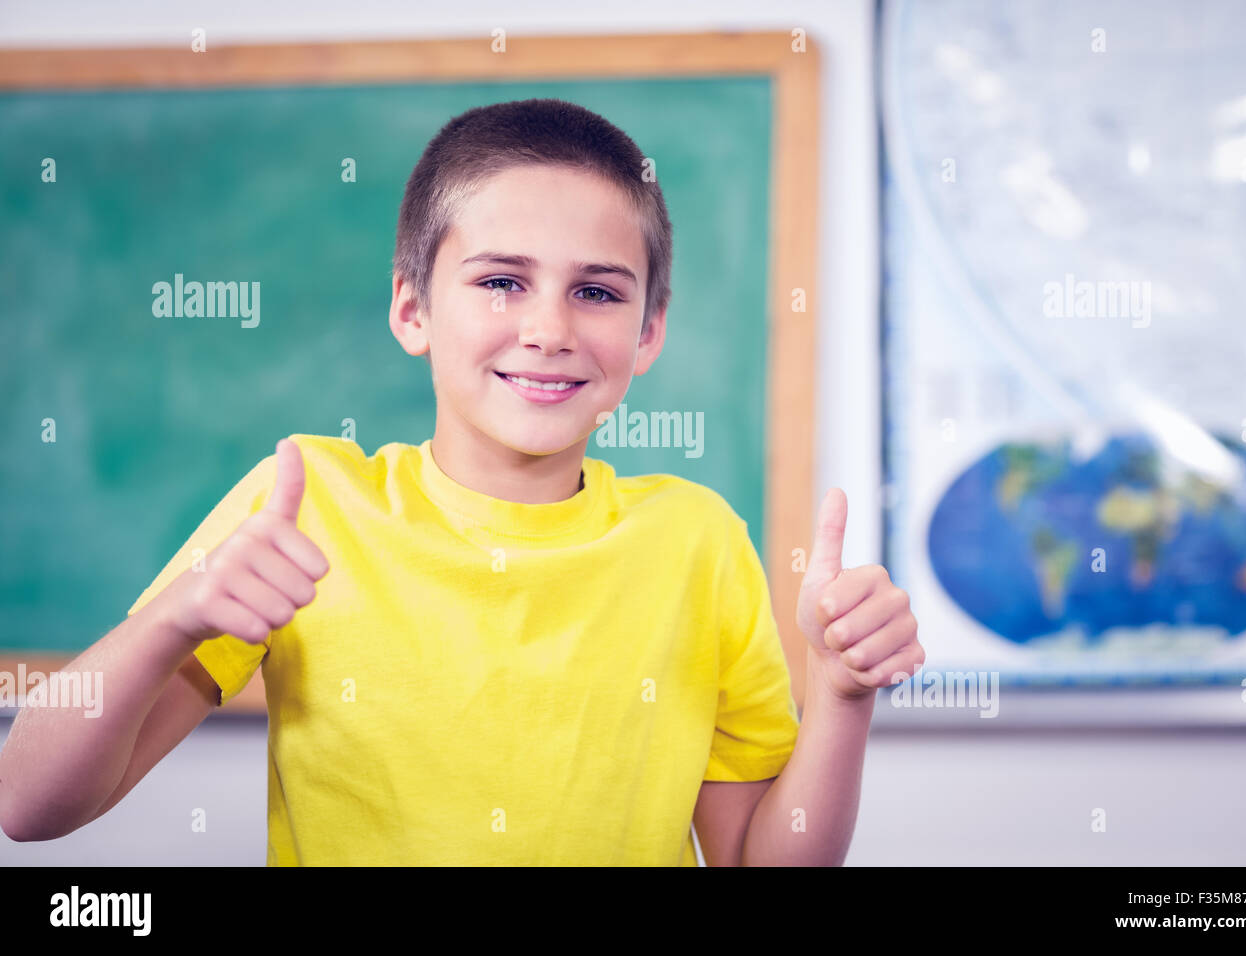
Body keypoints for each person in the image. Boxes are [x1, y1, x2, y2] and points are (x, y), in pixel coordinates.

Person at [0, 98, 922, 865]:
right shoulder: (309, 502)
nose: (549, 328)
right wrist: (176, 619)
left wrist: (840, 696)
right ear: (412, 309)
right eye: (500, 282)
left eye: (597, 291)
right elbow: (30, 805)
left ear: (648, 331)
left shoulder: (698, 540)